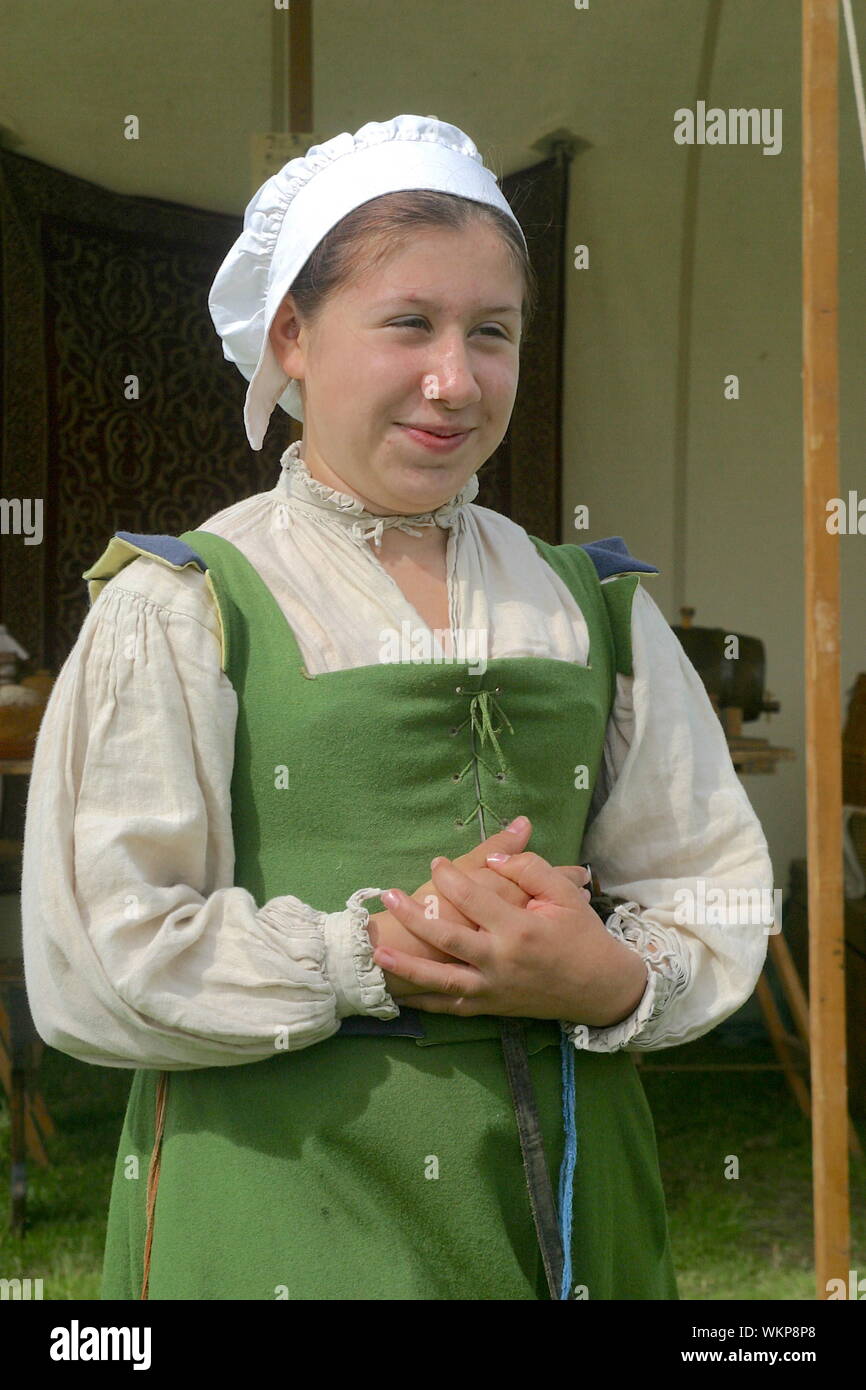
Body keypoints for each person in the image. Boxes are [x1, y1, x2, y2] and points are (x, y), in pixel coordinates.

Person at [21, 114, 774, 1301]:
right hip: (283, 1200)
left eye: (492, 333)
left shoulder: (594, 604)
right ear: (292, 337)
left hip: (564, 1198)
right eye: (407, 324)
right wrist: (383, 947)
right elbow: (98, 957)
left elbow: (714, 890)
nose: (453, 379)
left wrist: (609, 977)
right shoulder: (184, 602)